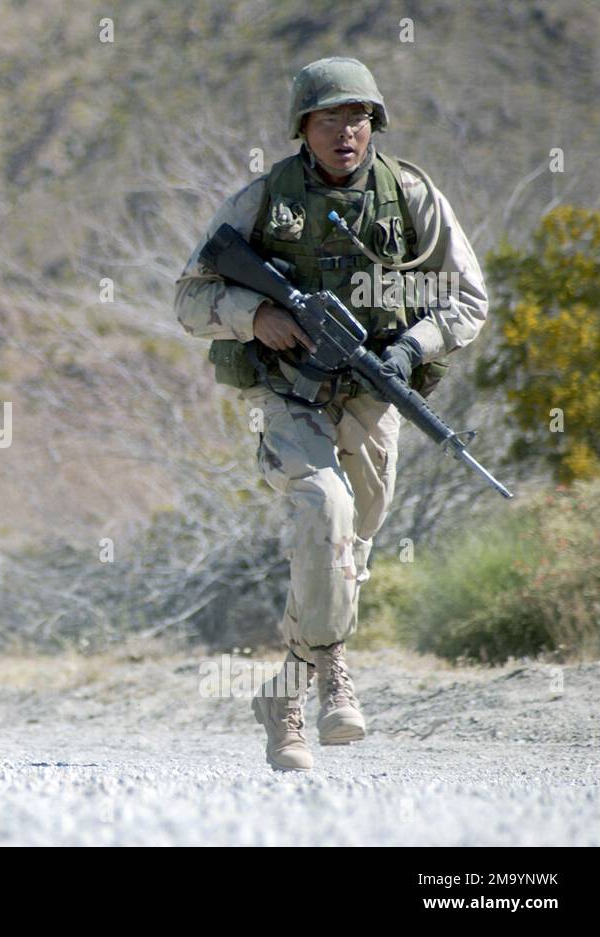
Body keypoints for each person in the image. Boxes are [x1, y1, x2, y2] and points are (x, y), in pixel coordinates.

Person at [171, 57, 488, 771]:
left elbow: (468, 298)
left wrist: (413, 347)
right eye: (330, 119)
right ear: (303, 129)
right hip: (286, 391)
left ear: (375, 123)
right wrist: (256, 315)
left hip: (374, 389)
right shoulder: (262, 199)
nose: (347, 131)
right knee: (323, 511)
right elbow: (189, 297)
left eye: (359, 117)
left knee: (349, 549)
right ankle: (334, 671)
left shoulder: (410, 196)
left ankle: (283, 692)